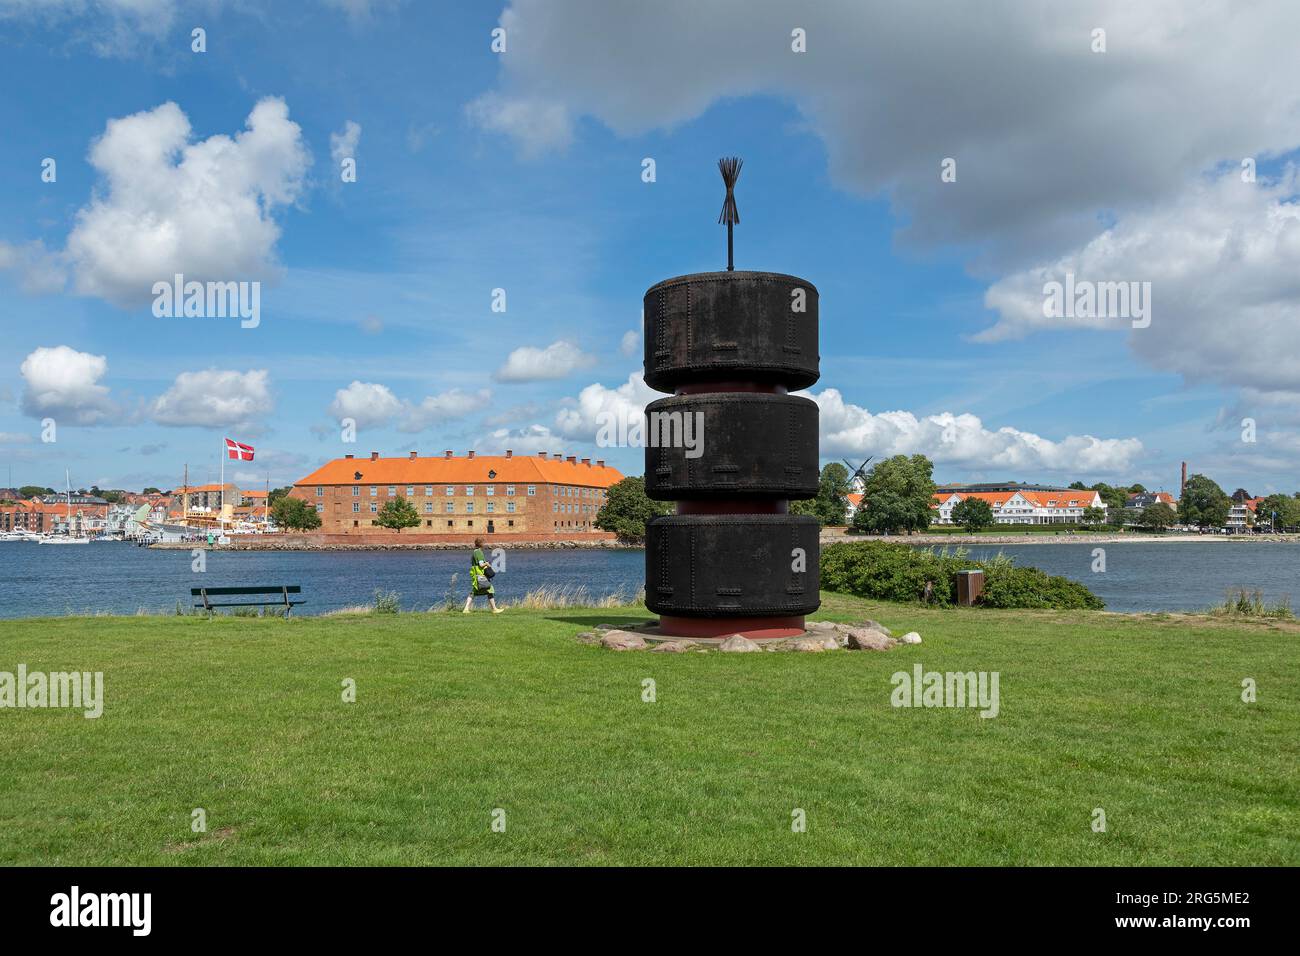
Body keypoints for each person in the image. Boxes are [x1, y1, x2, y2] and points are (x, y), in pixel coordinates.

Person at [463, 538, 504, 613]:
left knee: (474, 592)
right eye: (484, 543)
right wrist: (487, 563)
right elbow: (481, 565)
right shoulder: (479, 552)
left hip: (476, 575)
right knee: (489, 589)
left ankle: (466, 609)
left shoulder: (475, 552)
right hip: (480, 575)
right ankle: (494, 609)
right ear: (481, 544)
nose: (485, 544)